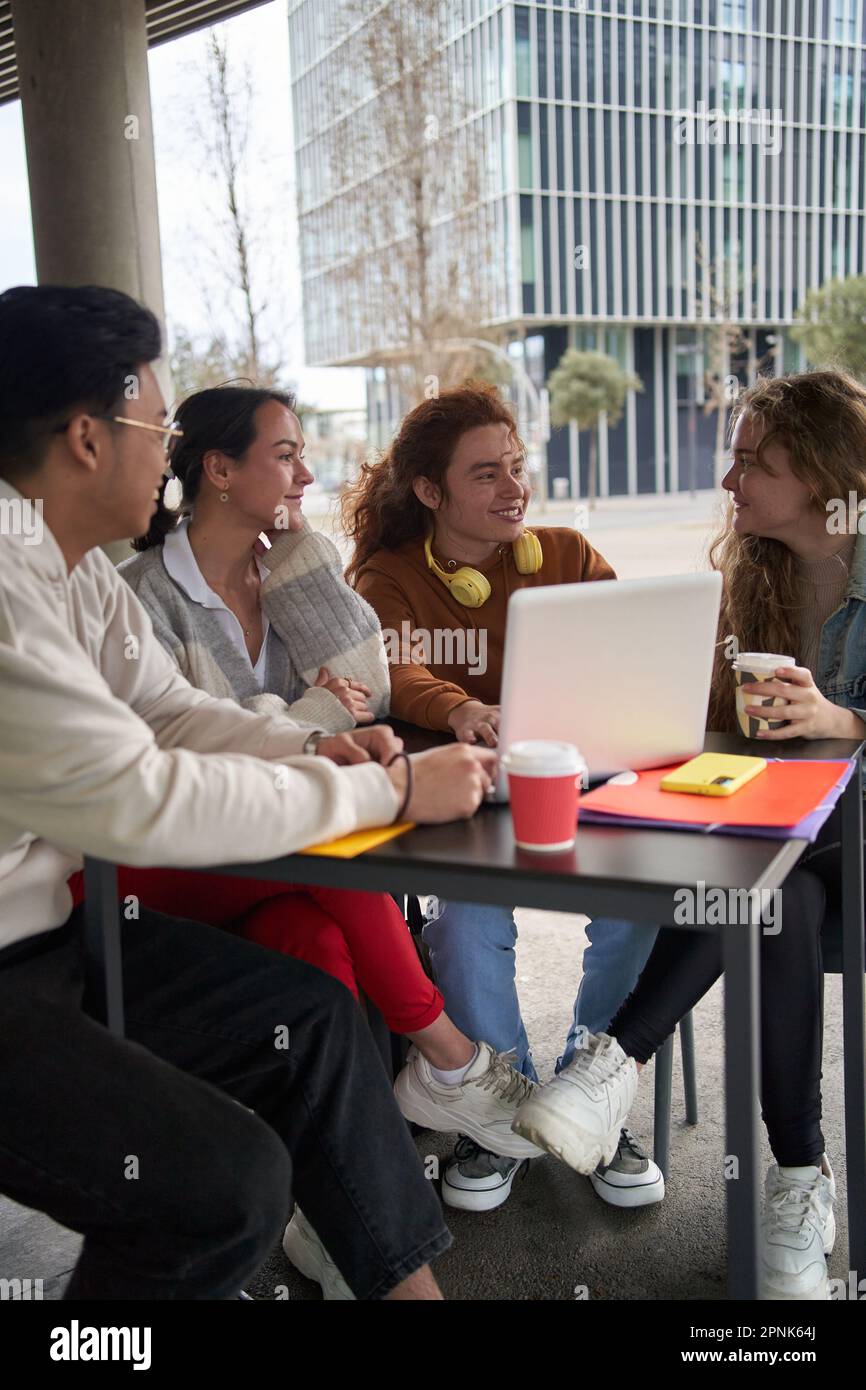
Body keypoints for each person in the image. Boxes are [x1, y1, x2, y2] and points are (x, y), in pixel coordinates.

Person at [0, 283, 499, 1301]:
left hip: (53, 939)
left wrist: (316, 755)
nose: (167, 454)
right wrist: (389, 796)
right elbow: (136, 793)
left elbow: (175, 710)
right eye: (159, 424)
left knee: (310, 1016)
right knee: (224, 1189)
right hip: (23, 956)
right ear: (89, 439)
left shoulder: (72, 568)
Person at [115, 384, 543, 1285]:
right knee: (329, 834)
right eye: (284, 454)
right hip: (181, 858)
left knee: (311, 944)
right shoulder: (141, 595)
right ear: (219, 471)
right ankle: (449, 1059)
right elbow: (187, 741)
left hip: (282, 873)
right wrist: (311, 718)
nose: (307, 470)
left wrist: (304, 555)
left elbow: (370, 688)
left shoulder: (297, 566)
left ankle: (329, 1200)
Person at [513, 369, 866, 1301]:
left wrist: (846, 721)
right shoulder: (753, 576)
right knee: (774, 891)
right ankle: (800, 1181)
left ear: (828, 470)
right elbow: (712, 732)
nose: (729, 480)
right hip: (794, 867)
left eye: (754, 461)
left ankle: (613, 1061)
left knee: (771, 865)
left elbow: (831, 735)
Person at [343, 383, 664, 1212]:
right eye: (486, 474)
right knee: (467, 916)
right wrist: (458, 709)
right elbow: (391, 667)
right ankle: (508, 1113)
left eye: (517, 468)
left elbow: (634, 640)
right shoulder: (392, 574)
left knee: (638, 901)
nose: (514, 488)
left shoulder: (563, 553)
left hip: (575, 778)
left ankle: (592, 1093)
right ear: (429, 490)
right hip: (468, 793)